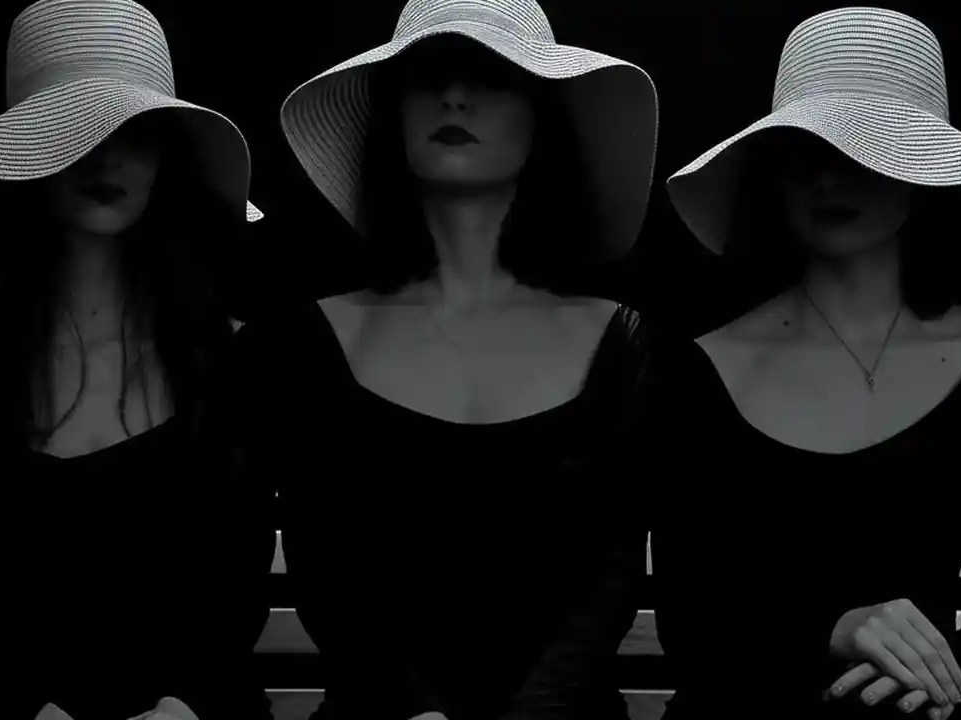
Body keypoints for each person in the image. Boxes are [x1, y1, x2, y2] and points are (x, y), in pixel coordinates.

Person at [249, 0, 659, 718]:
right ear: (393, 115)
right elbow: (328, 568)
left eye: (492, 78)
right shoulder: (313, 337)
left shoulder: (621, 341)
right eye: (427, 78)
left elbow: (612, 570)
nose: (454, 97)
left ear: (542, 118)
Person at [647, 7, 961, 720]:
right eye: (804, 152)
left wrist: (940, 685)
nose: (830, 179)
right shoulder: (703, 367)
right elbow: (690, 627)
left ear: (922, 168)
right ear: (772, 174)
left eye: (868, 147)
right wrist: (829, 630)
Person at [0, 1, 273, 718]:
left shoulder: (233, 359)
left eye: (134, 132)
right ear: (27, 155)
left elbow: (235, 581)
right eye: (73, 129)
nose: (107, 155)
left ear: (167, 157)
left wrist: (185, 702)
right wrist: (23, 706)